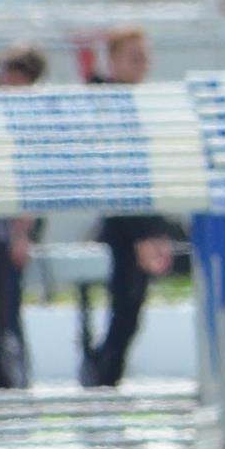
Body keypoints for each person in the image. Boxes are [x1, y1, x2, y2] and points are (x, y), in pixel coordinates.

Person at [80, 27, 174, 388]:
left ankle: (102, 378)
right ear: (114, 60)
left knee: (129, 313)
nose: (142, 65)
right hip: (124, 222)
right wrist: (145, 234)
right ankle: (101, 380)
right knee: (125, 310)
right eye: (134, 57)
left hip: (140, 218)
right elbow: (118, 175)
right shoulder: (107, 102)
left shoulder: (136, 102)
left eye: (145, 57)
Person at [0, 45, 47, 389]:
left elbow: (27, 184)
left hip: (1, 232)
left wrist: (22, 236)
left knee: (5, 314)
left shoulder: (25, 119)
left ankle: (9, 383)